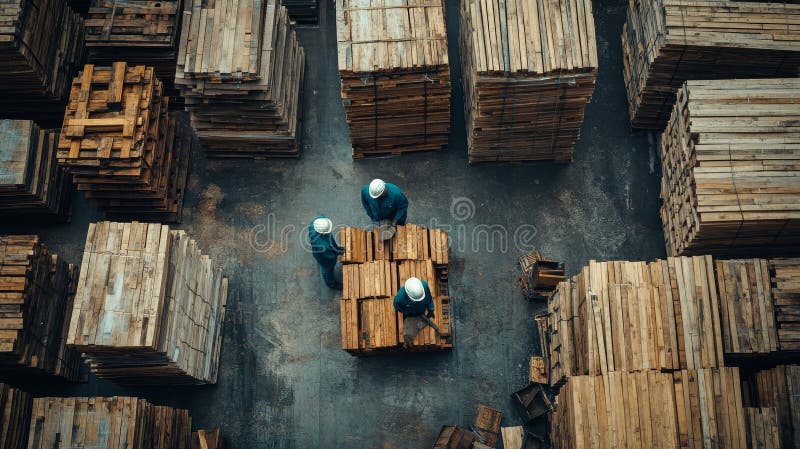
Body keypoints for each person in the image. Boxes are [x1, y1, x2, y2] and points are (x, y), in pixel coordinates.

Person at [393, 277, 437, 347]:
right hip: (410, 314)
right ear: (408, 295)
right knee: (409, 331)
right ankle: (408, 341)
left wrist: (431, 309)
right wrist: (407, 312)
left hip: (422, 310)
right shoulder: (400, 297)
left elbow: (429, 298)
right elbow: (397, 306)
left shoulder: (424, 286)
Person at [308, 215, 344, 290]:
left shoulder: (315, 223)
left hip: (318, 251)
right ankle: (331, 284)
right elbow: (331, 256)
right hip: (324, 258)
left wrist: (337, 249)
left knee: (333, 246)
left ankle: (338, 249)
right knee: (327, 269)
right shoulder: (323, 246)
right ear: (322, 233)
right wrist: (336, 254)